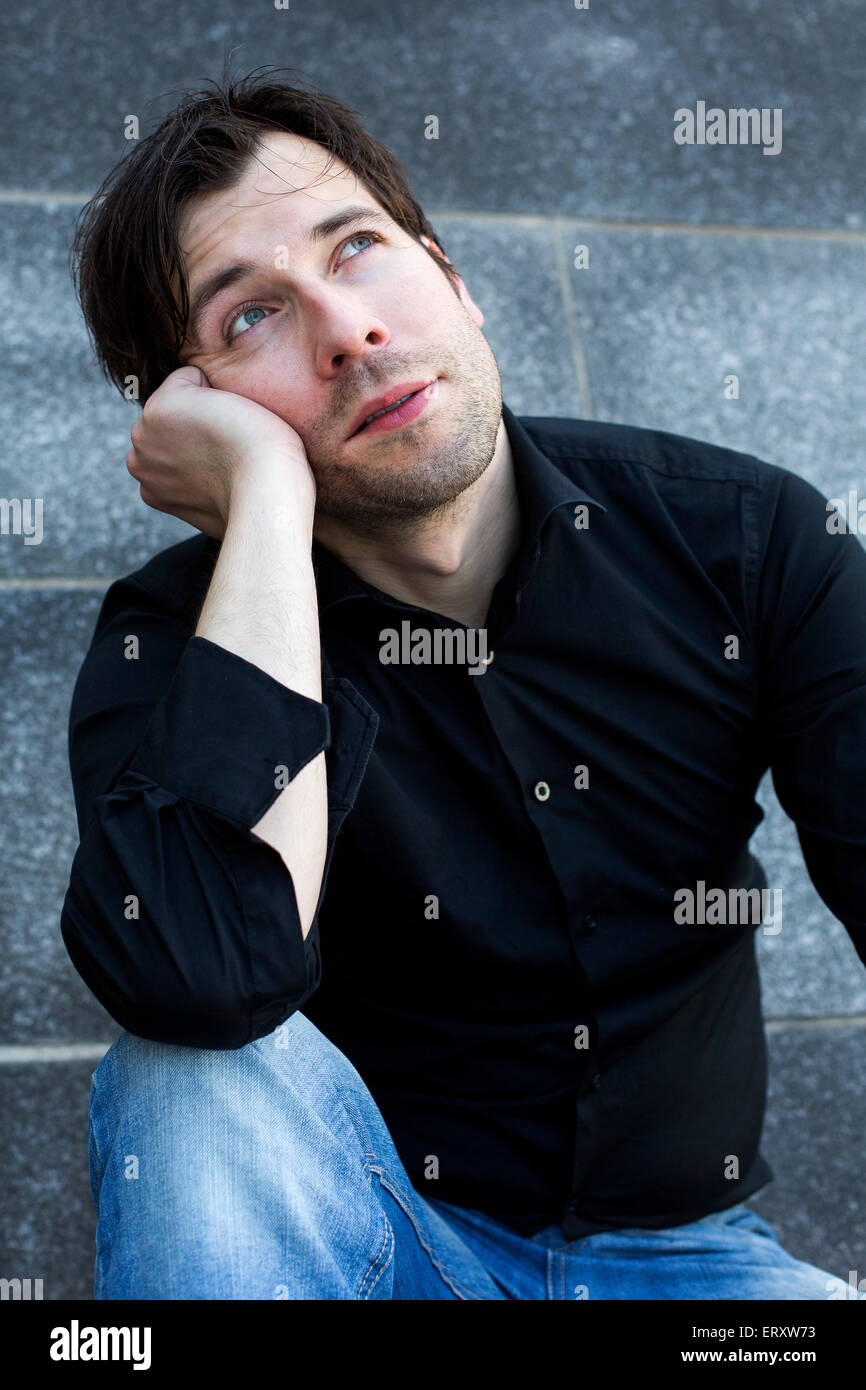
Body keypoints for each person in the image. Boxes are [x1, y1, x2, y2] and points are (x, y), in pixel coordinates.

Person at [62, 68, 865, 1300]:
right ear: (193, 422)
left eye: (358, 251)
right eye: (247, 319)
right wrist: (267, 507)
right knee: (184, 1072)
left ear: (452, 278)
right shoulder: (174, 639)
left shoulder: (745, 543)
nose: (346, 329)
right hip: (372, 1237)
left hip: (693, 1274)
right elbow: (196, 976)